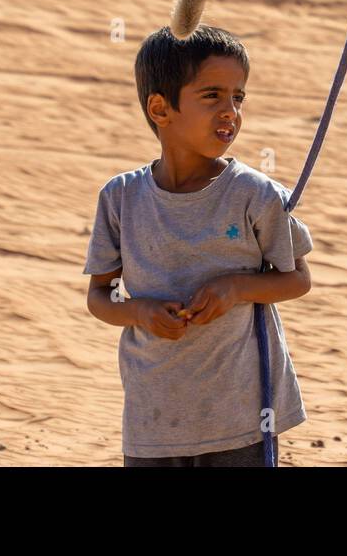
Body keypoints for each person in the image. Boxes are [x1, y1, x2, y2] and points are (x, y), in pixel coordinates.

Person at [84, 25, 313, 466]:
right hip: (153, 418)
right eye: (212, 96)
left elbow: (298, 278)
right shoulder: (121, 198)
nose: (230, 112)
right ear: (160, 108)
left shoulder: (256, 194)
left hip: (243, 415)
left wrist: (236, 288)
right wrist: (138, 311)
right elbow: (100, 295)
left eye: (238, 97)